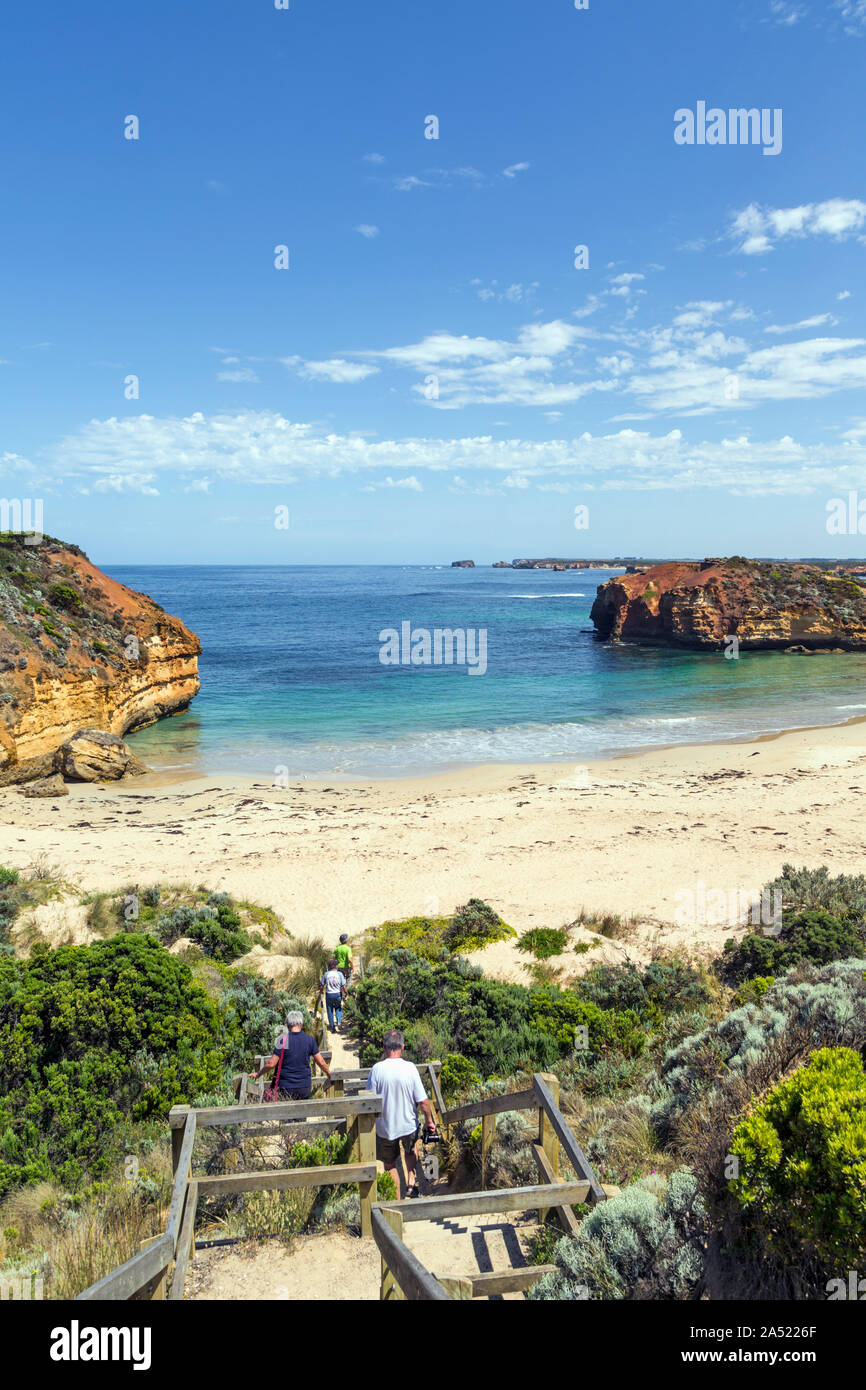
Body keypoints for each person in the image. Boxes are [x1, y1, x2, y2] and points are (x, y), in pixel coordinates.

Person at [367, 1029, 437, 1198]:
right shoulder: (410, 1068)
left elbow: (369, 1102)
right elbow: (423, 1101)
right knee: (411, 1150)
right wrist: (429, 1121)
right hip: (408, 1124)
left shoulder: (376, 1069)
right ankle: (411, 1185)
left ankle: (396, 1201)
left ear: (384, 1048)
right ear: (403, 1047)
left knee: (390, 1164)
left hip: (385, 1127)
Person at [249, 1011, 330, 1100]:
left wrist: (258, 1074)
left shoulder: (282, 1040)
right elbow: (321, 1062)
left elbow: (271, 1064)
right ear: (302, 1024)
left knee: (286, 1112)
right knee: (302, 1112)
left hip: (285, 1087)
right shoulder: (309, 1040)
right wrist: (329, 1074)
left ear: (287, 1025)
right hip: (304, 1086)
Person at [321, 958, 347, 1033]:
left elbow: (322, 985)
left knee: (330, 1010)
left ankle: (332, 1027)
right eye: (337, 965)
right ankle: (339, 1022)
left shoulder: (326, 974)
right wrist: (346, 994)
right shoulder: (339, 974)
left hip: (329, 994)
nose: (338, 966)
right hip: (338, 994)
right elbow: (344, 986)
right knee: (338, 1008)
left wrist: (321, 992)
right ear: (335, 966)